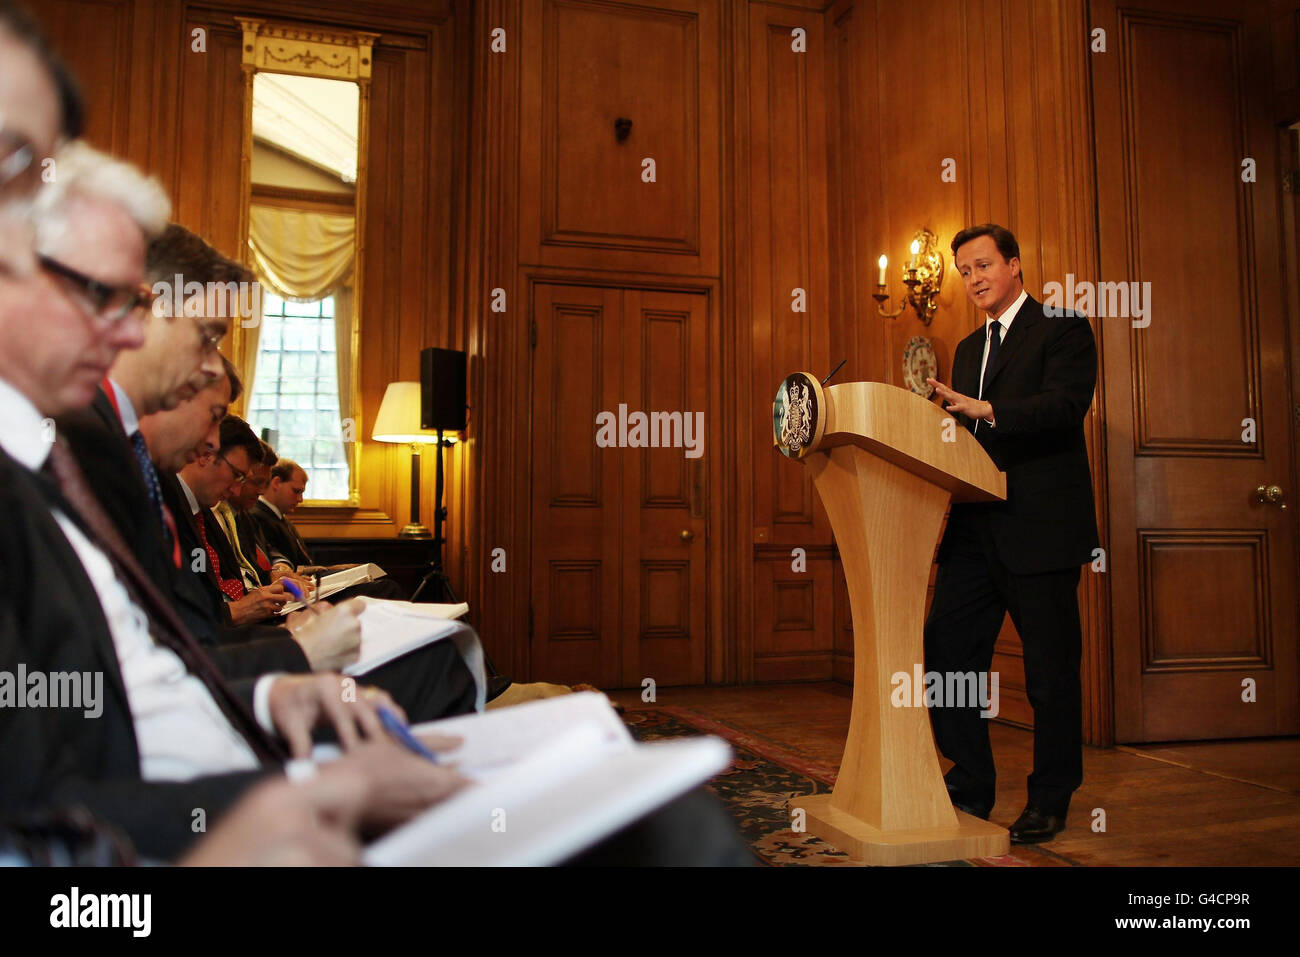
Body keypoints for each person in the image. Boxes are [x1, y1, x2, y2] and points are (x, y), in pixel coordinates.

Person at [924, 223, 1099, 844]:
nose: (972, 279)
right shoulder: (968, 348)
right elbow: (969, 436)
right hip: (975, 528)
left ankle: (1050, 799)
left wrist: (986, 410)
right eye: (963, 271)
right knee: (946, 652)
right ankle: (970, 780)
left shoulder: (1064, 327)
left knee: (1050, 671)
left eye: (982, 266)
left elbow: (1062, 409)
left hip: (1041, 526)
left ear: (1015, 265)